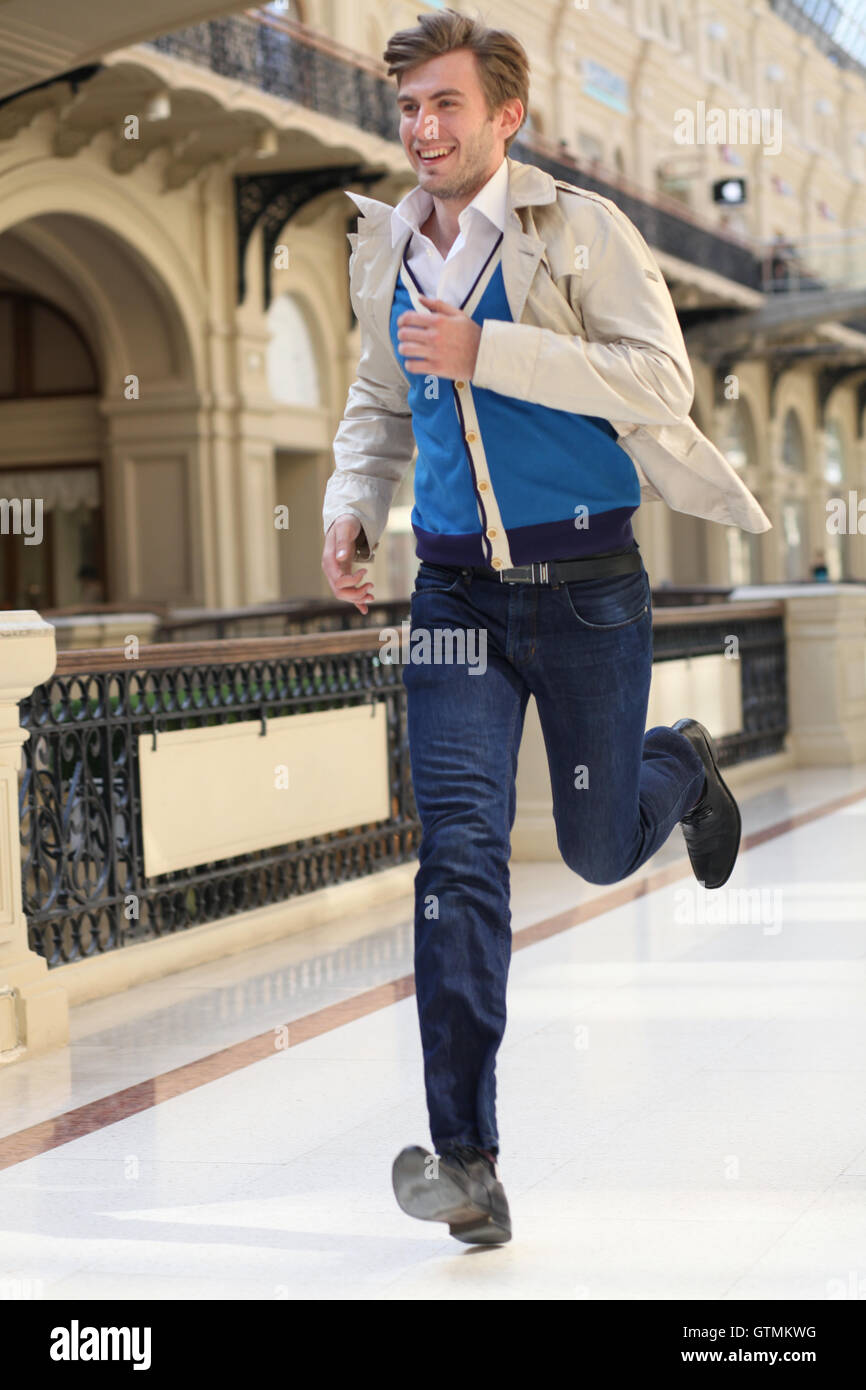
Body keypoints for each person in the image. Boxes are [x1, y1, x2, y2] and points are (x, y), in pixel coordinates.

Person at [321, 8, 770, 1246]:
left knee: (586, 847)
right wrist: (351, 505)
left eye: (443, 105)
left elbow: (654, 379)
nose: (419, 128)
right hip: (454, 594)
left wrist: (489, 349)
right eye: (405, 106)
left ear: (504, 116)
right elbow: (375, 394)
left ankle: (672, 765)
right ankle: (467, 1159)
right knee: (457, 855)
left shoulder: (579, 229)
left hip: (584, 587)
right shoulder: (381, 244)